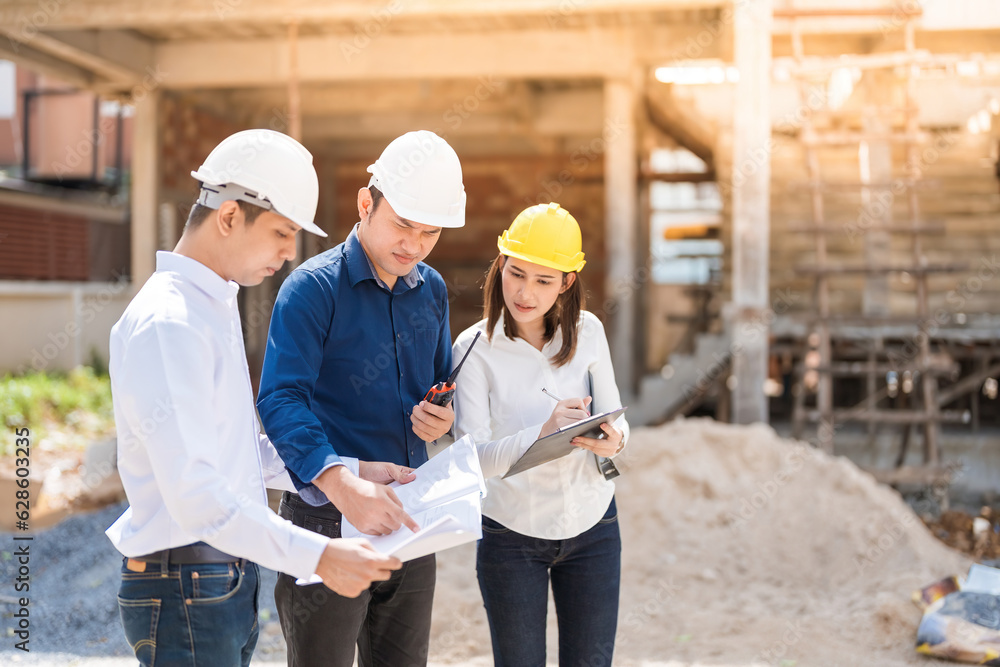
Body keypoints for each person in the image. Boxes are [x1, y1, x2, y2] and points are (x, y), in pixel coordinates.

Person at [105, 129, 404, 667]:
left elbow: (238, 451)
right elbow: (196, 494)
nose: (290, 254)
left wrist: (348, 470)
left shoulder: (210, 306)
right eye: (281, 233)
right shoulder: (169, 323)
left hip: (215, 577)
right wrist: (318, 554)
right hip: (185, 582)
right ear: (228, 217)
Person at [256, 130, 466, 667]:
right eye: (402, 225)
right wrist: (340, 482)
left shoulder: (433, 290)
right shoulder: (311, 289)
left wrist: (438, 419)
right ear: (365, 203)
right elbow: (281, 400)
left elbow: (440, 386)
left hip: (410, 515)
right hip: (324, 518)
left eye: (429, 232)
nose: (414, 245)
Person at [452, 202, 630, 667]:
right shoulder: (473, 350)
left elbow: (615, 414)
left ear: (567, 282)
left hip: (594, 527)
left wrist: (616, 439)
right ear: (500, 266)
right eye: (516, 273)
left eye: (543, 280)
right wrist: (543, 431)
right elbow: (470, 459)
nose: (525, 292)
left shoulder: (589, 332)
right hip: (510, 535)